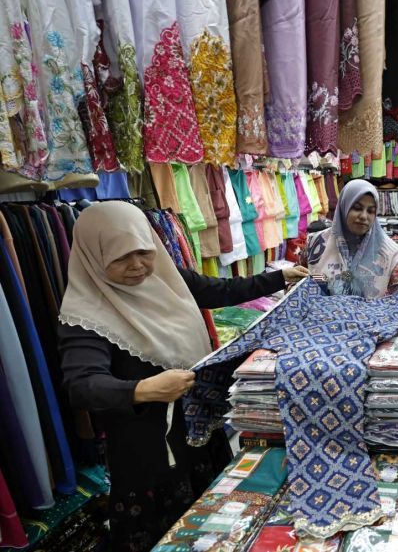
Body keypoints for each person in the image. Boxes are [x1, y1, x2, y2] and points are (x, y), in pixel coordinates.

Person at [57, 202, 308, 551]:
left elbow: (218, 290)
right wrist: (144, 390)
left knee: (215, 525)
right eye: (120, 257)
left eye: (144, 252)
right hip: (149, 452)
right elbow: (81, 386)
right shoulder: (85, 317)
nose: (137, 265)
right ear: (93, 255)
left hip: (200, 430)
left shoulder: (164, 277)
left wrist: (279, 277)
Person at [304, 179, 398, 298]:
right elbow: (299, 283)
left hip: (370, 316)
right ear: (344, 207)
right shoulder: (316, 243)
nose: (363, 216)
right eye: (357, 208)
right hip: (322, 316)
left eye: (371, 211)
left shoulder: (387, 251)